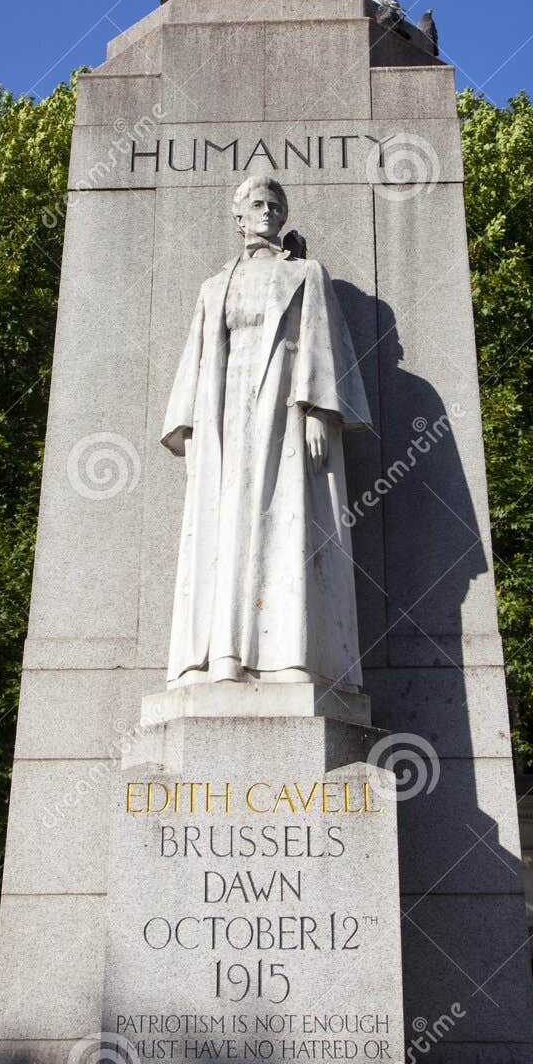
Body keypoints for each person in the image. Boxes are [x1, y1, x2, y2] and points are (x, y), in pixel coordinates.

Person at [162, 179, 370, 689]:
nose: (267, 212)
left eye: (275, 205)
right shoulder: (214, 286)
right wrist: (190, 427)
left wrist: (321, 411)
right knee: (225, 531)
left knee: (287, 526)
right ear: (238, 217)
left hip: (285, 411)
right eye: (257, 205)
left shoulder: (306, 274)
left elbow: (323, 340)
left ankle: (288, 655)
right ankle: (223, 659)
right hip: (226, 417)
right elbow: (198, 356)